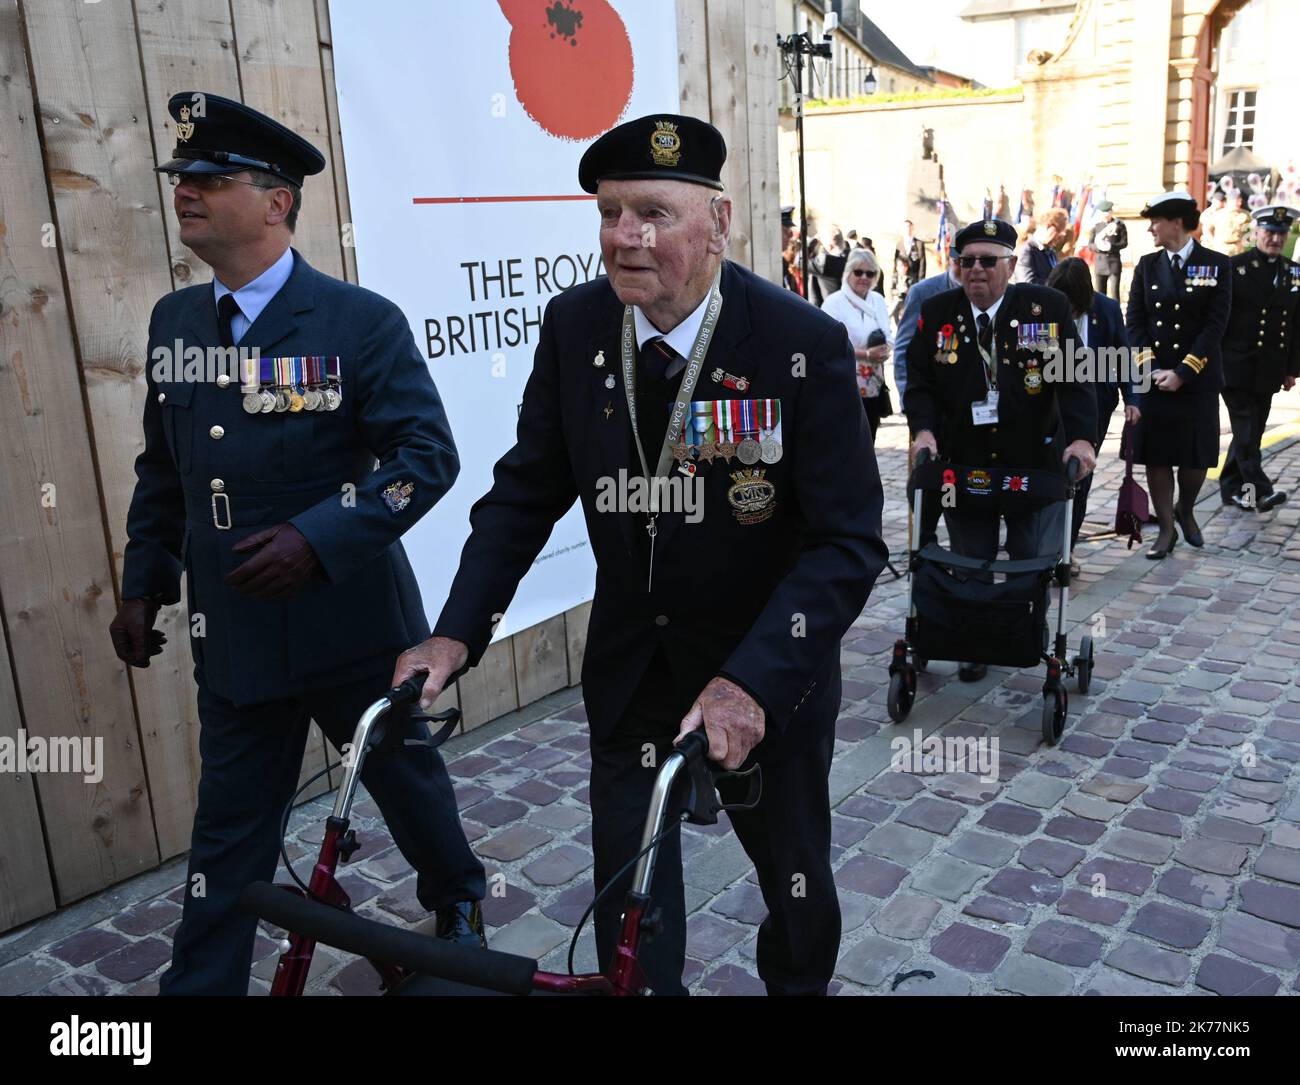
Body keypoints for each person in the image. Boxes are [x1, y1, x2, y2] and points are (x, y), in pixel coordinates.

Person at [390, 114, 888, 996]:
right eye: (612, 212)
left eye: (653, 212)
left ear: (719, 220)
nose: (626, 235)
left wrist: (752, 682)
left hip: (761, 673)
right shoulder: (576, 325)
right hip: (633, 670)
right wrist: (455, 631)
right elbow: (525, 492)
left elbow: (848, 541)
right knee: (631, 894)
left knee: (796, 886)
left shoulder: (795, 344)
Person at [109, 92, 487, 994]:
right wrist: (145, 575)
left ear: (278, 202)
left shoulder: (359, 323)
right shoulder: (176, 324)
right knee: (227, 842)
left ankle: (461, 904)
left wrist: (320, 538)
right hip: (237, 643)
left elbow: (425, 457)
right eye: (181, 178)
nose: (186, 191)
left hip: (352, 625)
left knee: (409, 788)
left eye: (210, 178)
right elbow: (164, 467)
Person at [905, 219, 1097, 680]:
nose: (975, 270)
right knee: (971, 559)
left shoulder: (1045, 309)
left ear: (1010, 265)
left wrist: (1083, 437)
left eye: (987, 261)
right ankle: (974, 642)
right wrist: (924, 431)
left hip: (1032, 462)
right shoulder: (938, 312)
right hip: (965, 464)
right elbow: (921, 384)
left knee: (1030, 562)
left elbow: (1074, 379)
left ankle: (1021, 632)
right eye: (965, 261)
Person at [1125, 191, 1232, 558]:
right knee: (1156, 456)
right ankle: (1167, 528)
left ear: (1176, 223)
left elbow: (1215, 325)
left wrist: (1184, 372)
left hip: (1196, 380)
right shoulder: (1147, 264)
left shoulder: (1216, 264)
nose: (1151, 228)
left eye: (1155, 221)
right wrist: (1152, 369)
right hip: (1156, 378)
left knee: (1194, 458)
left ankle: (1186, 507)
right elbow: (1135, 322)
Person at [1046, 257, 1141, 560]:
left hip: (1093, 408)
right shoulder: (1041, 306)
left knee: (1079, 478)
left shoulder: (1107, 309)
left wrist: (1132, 400)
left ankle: (1065, 550)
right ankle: (1041, 544)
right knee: (1046, 475)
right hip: (1049, 405)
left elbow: (1123, 357)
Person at [1219, 204, 1300, 511]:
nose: (1275, 239)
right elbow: (1219, 319)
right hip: (1235, 366)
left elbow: (1296, 325)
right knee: (1246, 433)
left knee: (1252, 433)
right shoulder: (1234, 268)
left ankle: (1230, 488)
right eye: (1269, 232)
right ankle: (1258, 493)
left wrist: (1292, 368)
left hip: (1269, 369)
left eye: (1281, 234)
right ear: (1256, 233)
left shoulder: (1293, 272)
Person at [822, 247, 895, 439]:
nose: (864, 277)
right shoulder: (833, 303)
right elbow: (830, 345)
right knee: (848, 437)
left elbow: (888, 332)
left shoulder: (877, 300)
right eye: (858, 272)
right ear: (849, 272)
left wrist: (885, 347)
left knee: (870, 434)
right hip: (845, 381)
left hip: (873, 382)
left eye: (870, 273)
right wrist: (866, 354)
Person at [1015, 207, 1067, 284]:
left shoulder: (1050, 252)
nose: (1062, 235)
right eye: (1059, 230)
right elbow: (1027, 283)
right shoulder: (1027, 250)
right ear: (1048, 226)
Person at [1088, 200, 1127, 300]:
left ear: (1111, 212)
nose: (1106, 215)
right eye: (1104, 213)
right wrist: (1098, 247)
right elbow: (1090, 245)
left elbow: (1124, 243)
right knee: (1100, 294)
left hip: (1114, 263)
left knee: (1114, 293)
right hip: (1100, 263)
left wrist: (1111, 246)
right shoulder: (1096, 226)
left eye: (1108, 212)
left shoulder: (1119, 225)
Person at [891, 220, 927, 322]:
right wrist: (896, 277)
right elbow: (895, 261)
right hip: (902, 278)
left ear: (912, 228)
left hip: (914, 278)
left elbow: (922, 263)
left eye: (909, 227)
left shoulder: (918, 244)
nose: (907, 229)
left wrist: (921, 280)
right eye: (905, 227)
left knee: (913, 302)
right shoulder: (899, 244)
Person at [807, 223, 848, 305]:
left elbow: (799, 261)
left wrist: (814, 240)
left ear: (830, 246)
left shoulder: (824, 263)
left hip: (829, 311)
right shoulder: (851, 259)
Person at [1222, 191, 1254, 257]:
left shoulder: (1245, 214)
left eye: (1240, 201)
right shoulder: (1218, 214)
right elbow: (1208, 229)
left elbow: (1252, 230)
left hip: (1239, 250)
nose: (1239, 203)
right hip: (1222, 250)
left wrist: (1247, 243)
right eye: (1237, 201)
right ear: (1230, 201)